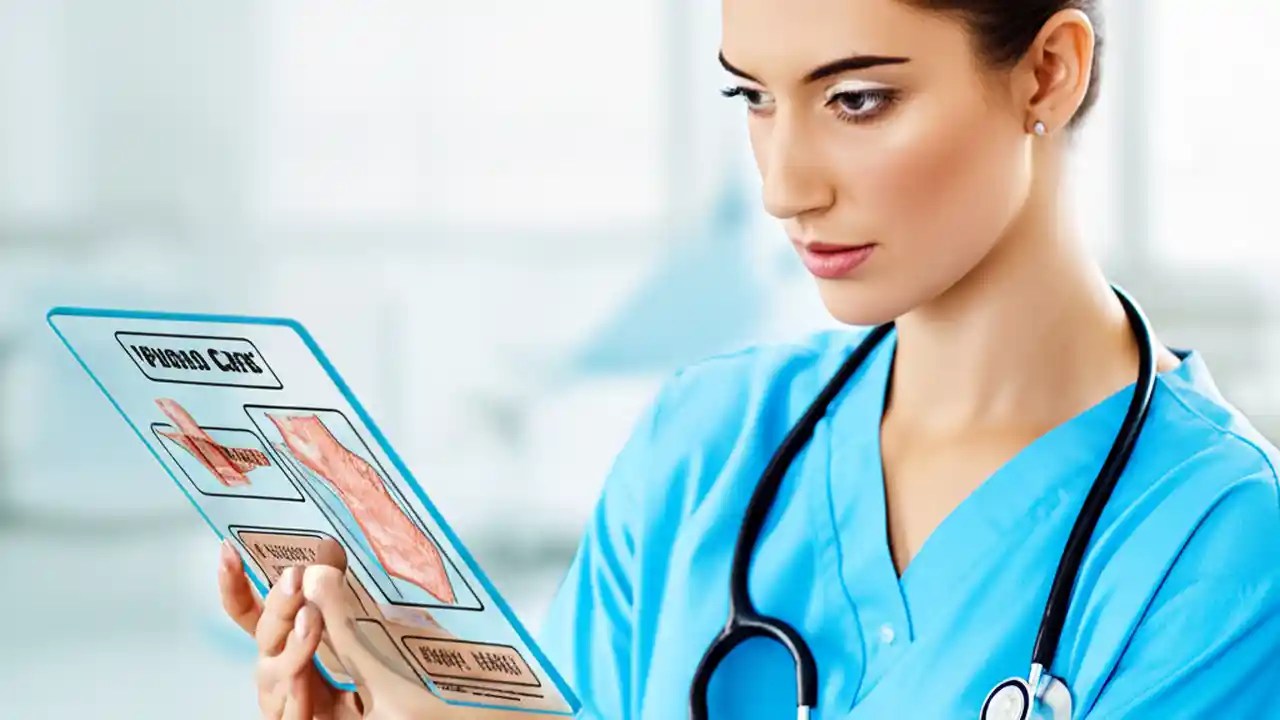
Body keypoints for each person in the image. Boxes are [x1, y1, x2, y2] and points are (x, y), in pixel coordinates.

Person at [218, 0, 1280, 717]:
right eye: (752, 98)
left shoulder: (1216, 537)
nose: (784, 184)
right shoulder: (702, 444)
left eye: (855, 99)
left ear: (1045, 73)